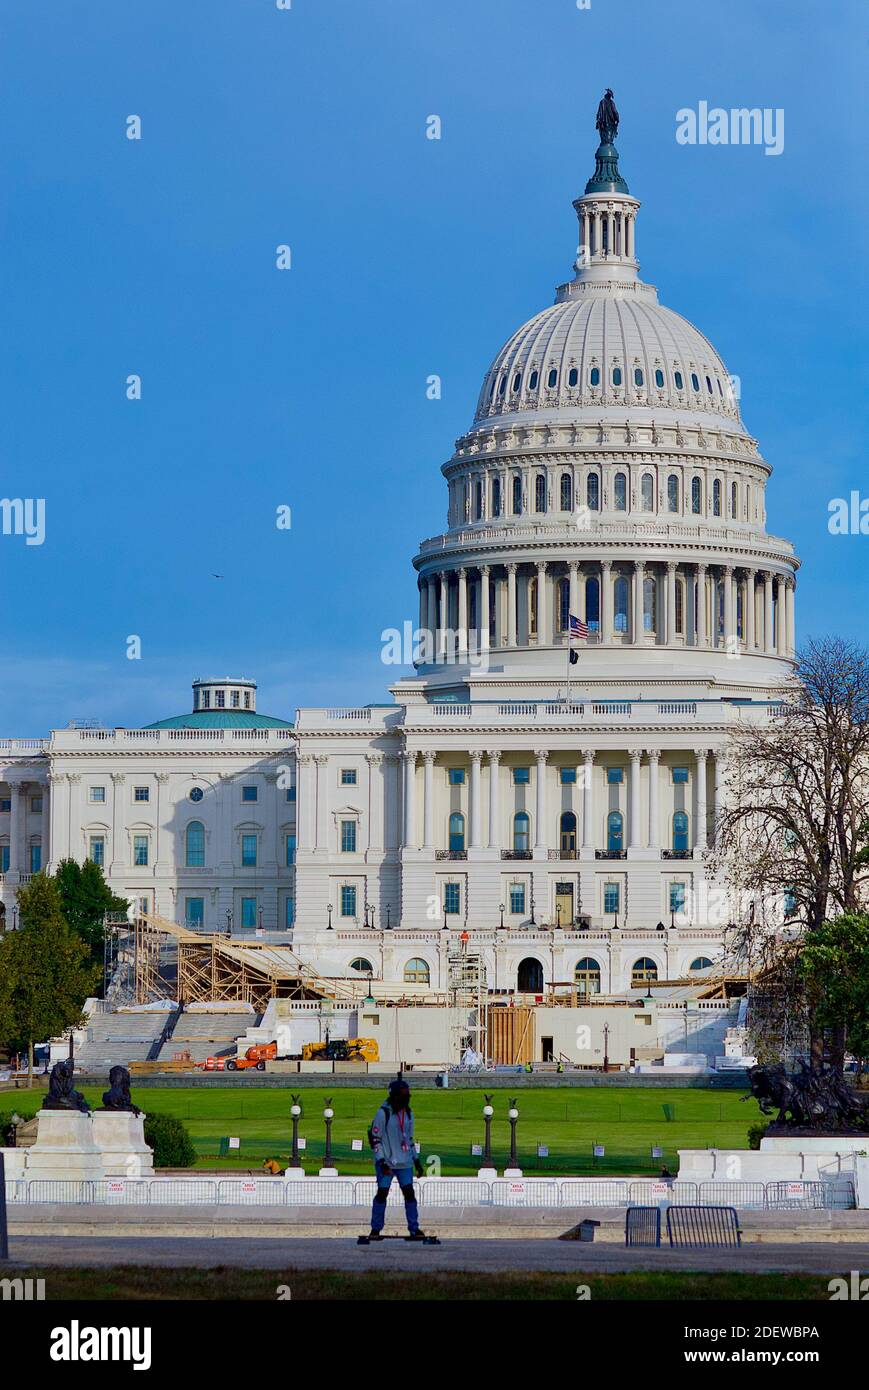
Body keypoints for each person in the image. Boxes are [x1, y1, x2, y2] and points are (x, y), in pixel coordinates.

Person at [367, 1078, 427, 1241]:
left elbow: (410, 1138)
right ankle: (375, 1228)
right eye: (403, 1095)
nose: (406, 1098)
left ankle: (414, 1228)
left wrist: (416, 1161)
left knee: (409, 1194)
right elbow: (375, 1139)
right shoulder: (383, 1112)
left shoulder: (409, 1113)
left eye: (407, 1095)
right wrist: (381, 1161)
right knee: (382, 1193)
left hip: (405, 1162)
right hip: (387, 1162)